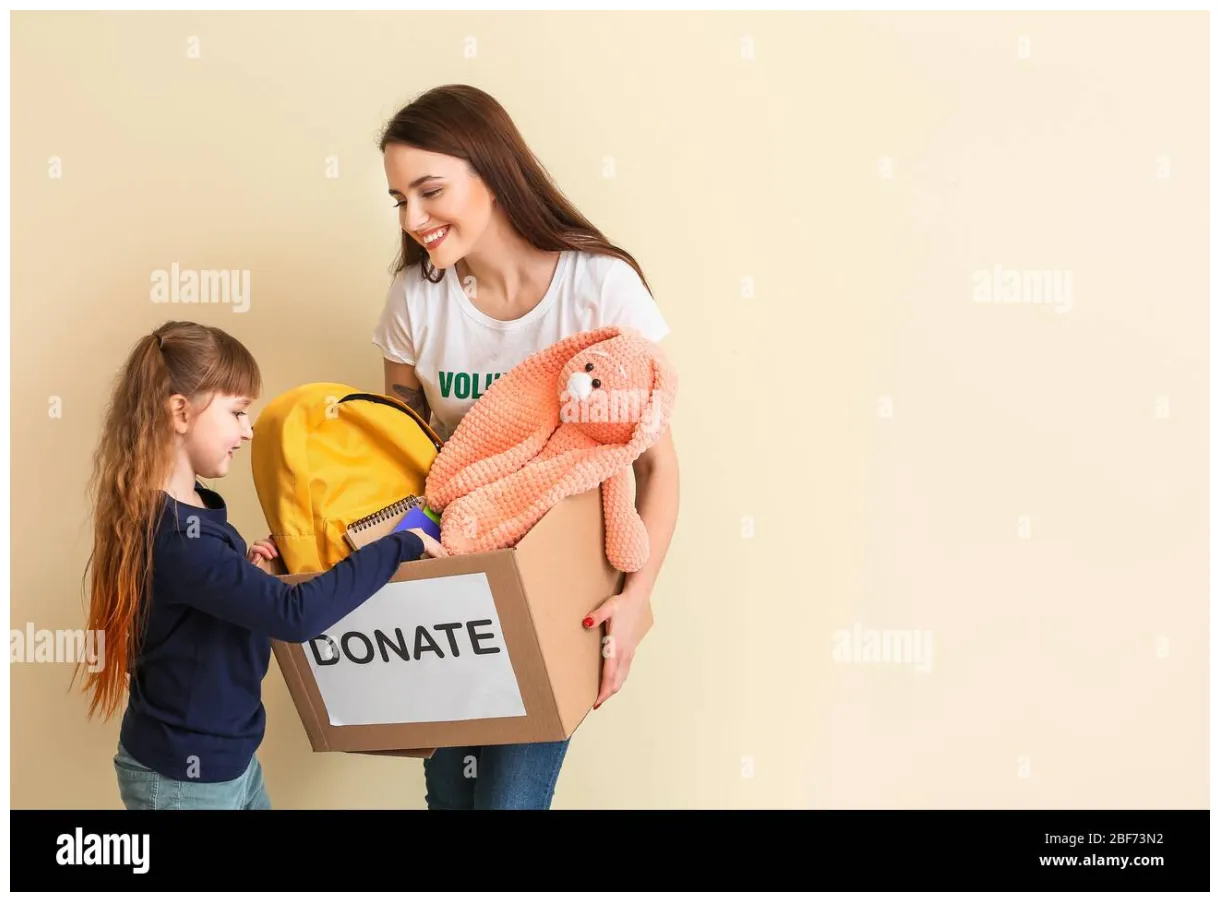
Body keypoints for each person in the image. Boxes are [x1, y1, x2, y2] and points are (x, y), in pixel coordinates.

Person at [371, 84, 681, 810]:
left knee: (507, 803)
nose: (413, 219)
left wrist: (636, 599)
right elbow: (396, 454)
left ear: (493, 171)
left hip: (555, 595)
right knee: (452, 802)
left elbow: (656, 462)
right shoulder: (416, 299)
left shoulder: (599, 288)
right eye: (398, 200)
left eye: (430, 191)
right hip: (451, 589)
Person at [77, 320, 446, 810]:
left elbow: (209, 609)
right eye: (236, 413)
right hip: (186, 781)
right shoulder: (174, 537)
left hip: (230, 764)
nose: (247, 432)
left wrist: (249, 577)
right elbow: (295, 617)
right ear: (181, 412)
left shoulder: (195, 514)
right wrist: (400, 545)